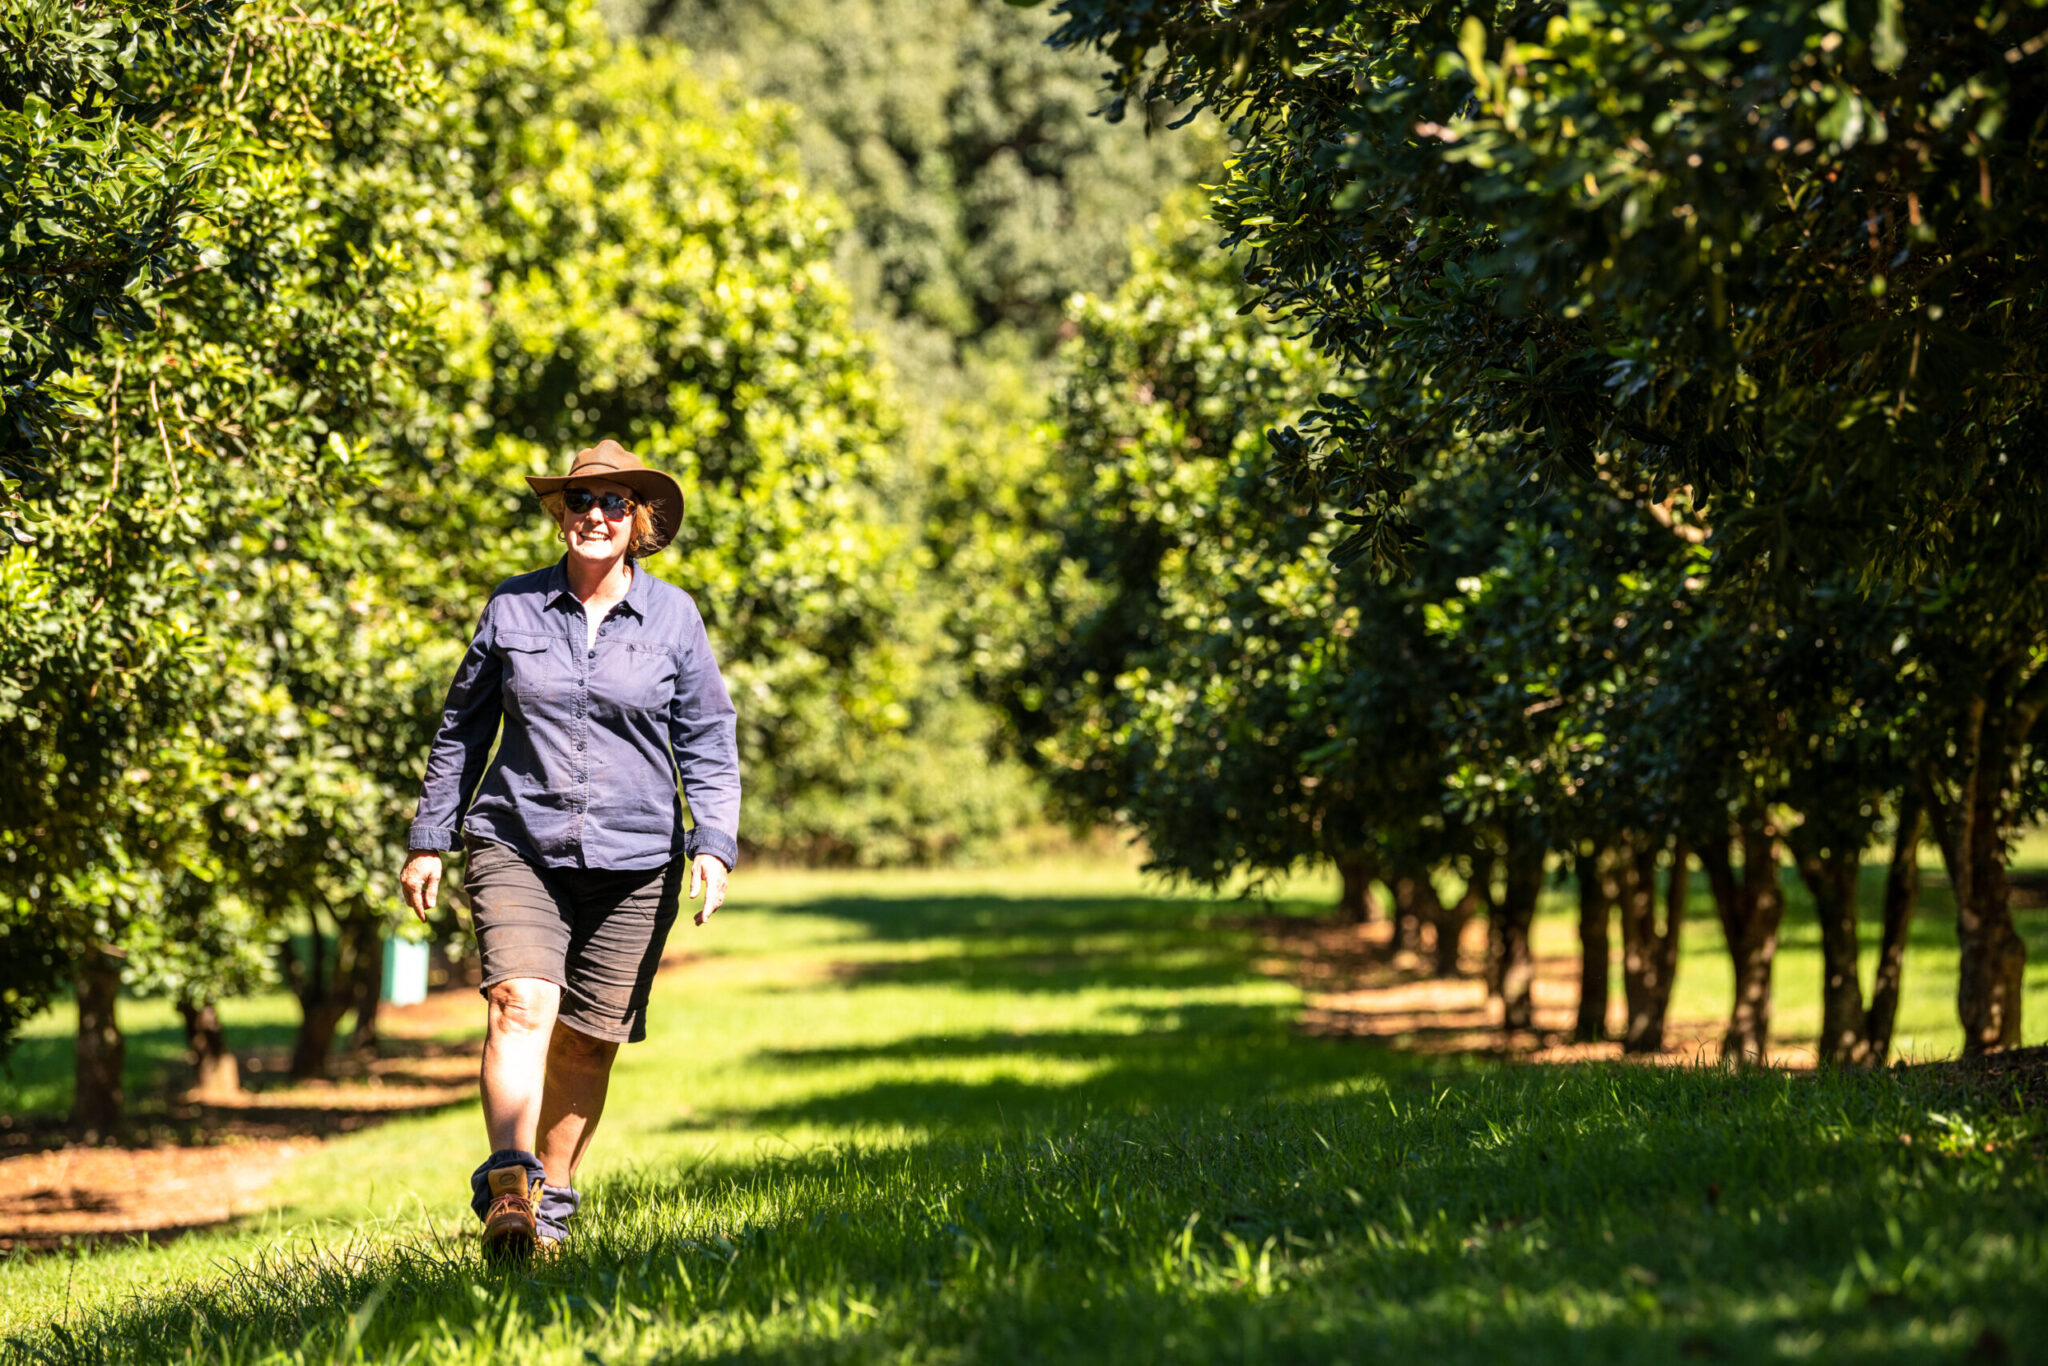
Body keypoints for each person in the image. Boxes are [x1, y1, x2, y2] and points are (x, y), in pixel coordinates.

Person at [398, 439, 740, 1257]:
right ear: (561, 514)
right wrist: (429, 838)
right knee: (522, 1003)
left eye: (615, 503)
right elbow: (462, 730)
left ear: (639, 521)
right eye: (581, 502)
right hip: (517, 839)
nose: (595, 515)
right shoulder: (512, 609)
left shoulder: (675, 618)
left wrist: (714, 843)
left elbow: (707, 735)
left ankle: (547, 1214)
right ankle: (510, 1185)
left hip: (636, 859)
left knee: (589, 1038)